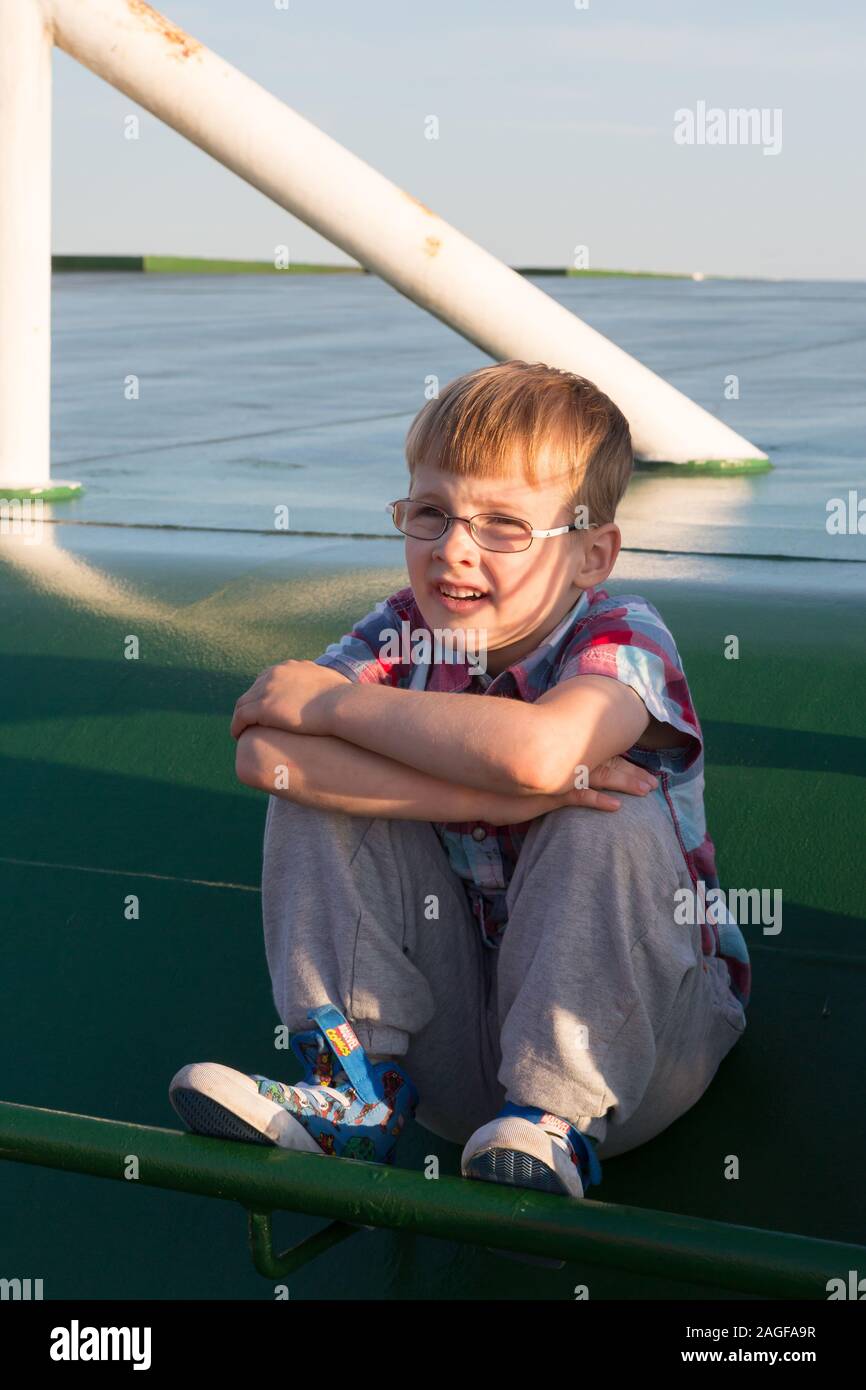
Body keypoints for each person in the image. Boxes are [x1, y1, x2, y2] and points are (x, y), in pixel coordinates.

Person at [169, 360, 750, 1201]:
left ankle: (553, 1128)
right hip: (453, 1049)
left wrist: (336, 709)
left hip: (638, 1048)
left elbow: (543, 756)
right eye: (431, 513)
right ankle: (353, 1091)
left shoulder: (623, 636)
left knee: (602, 813)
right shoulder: (402, 630)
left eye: (505, 526)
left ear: (592, 553)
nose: (454, 551)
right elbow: (267, 759)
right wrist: (478, 800)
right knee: (313, 792)